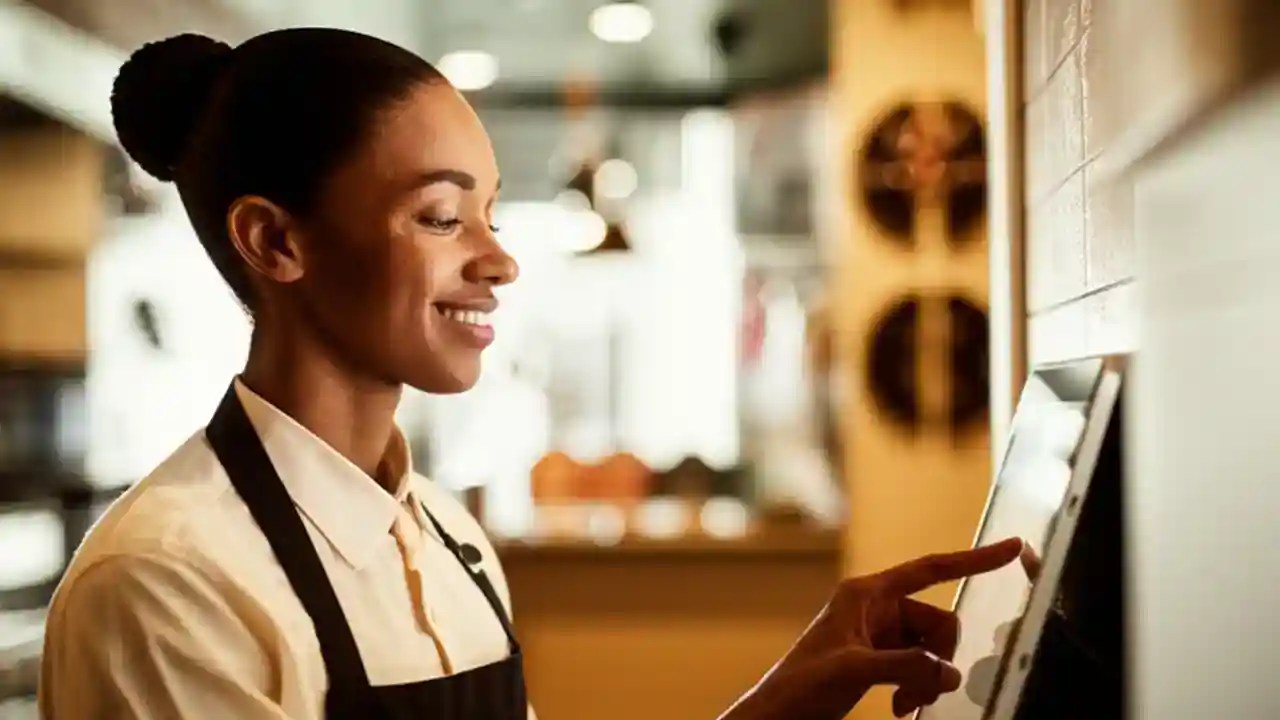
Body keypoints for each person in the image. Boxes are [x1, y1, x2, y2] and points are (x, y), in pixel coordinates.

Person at [37, 29, 1023, 720]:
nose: (499, 260)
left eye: (490, 217)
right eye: (437, 216)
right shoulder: (169, 583)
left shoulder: (447, 536)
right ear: (274, 241)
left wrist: (794, 690)